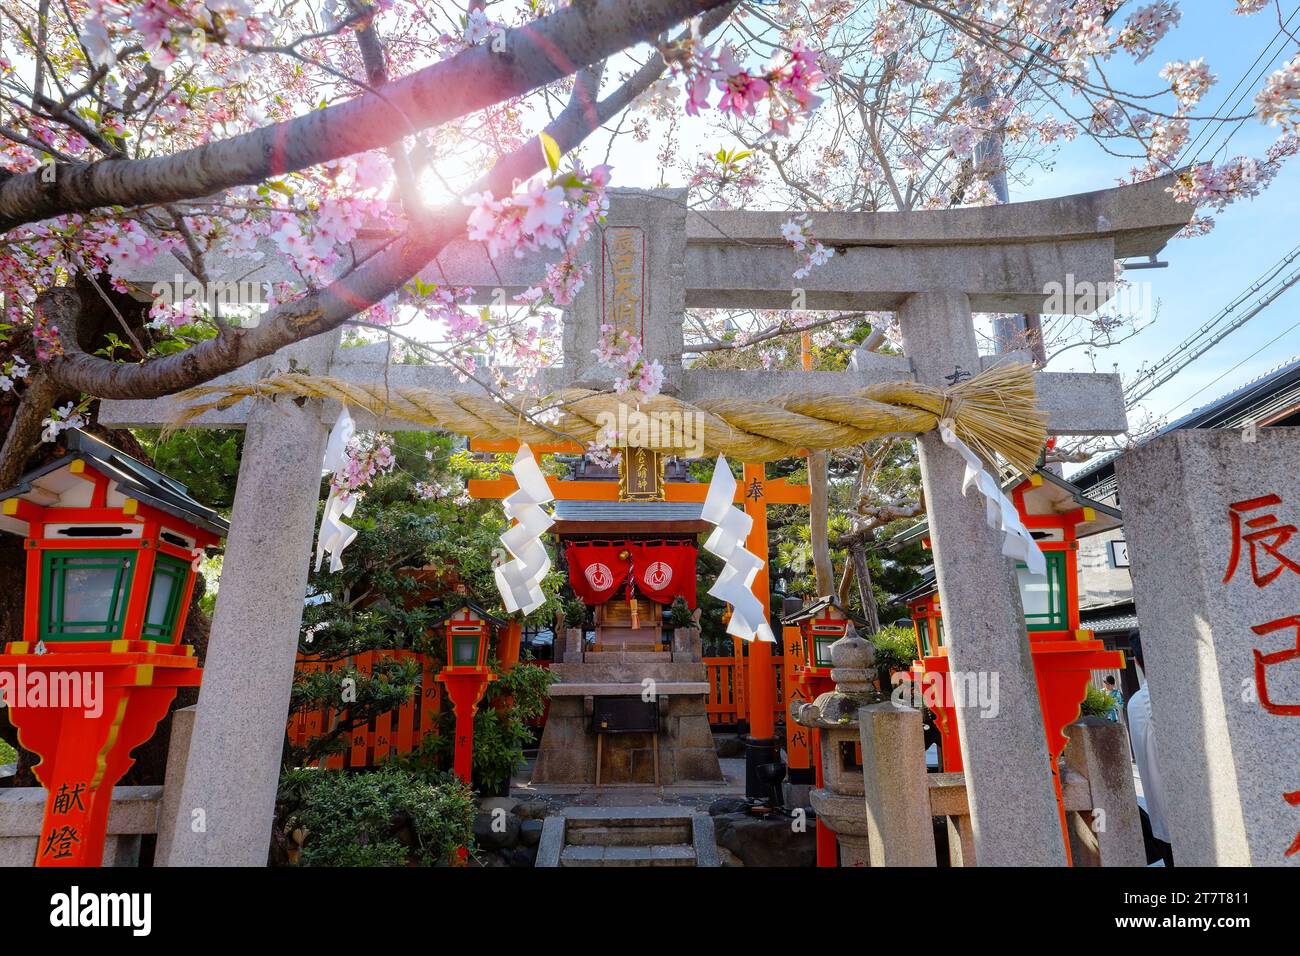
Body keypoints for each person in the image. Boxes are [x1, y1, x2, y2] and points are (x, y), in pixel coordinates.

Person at [1127, 639, 1174, 866]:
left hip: (1163, 820)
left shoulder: (1136, 702)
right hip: (1183, 817)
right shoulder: (1164, 697)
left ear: (1136, 661)